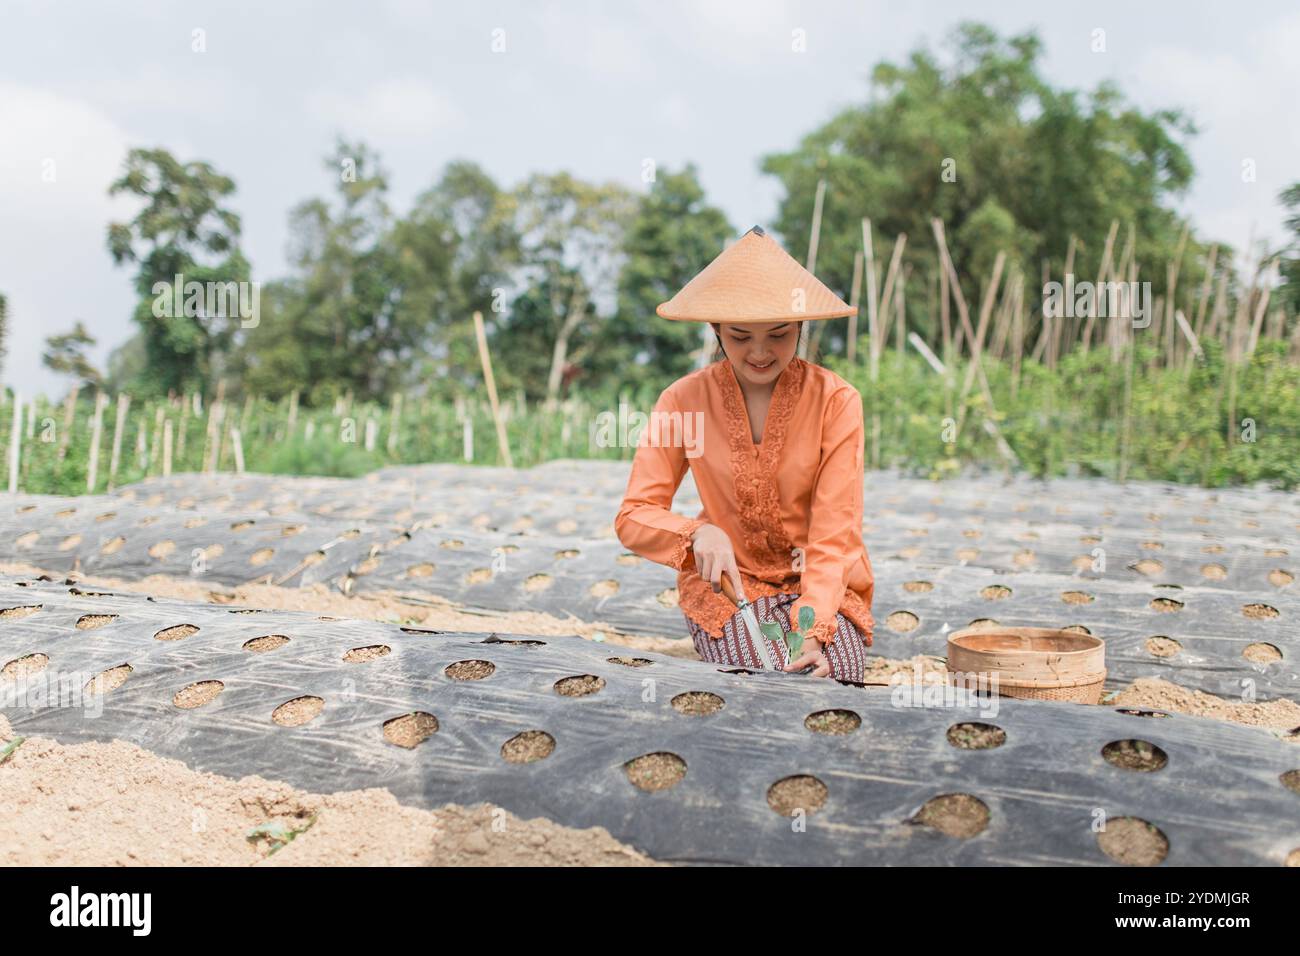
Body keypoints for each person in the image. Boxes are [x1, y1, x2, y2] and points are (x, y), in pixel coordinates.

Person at [614, 225, 874, 681]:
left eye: (778, 335)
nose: (759, 352)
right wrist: (697, 533)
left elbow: (835, 532)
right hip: (730, 589)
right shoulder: (682, 400)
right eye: (738, 336)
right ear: (715, 330)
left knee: (829, 672)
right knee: (769, 674)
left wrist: (812, 628)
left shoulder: (836, 401)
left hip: (820, 580)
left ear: (800, 326)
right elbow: (634, 515)